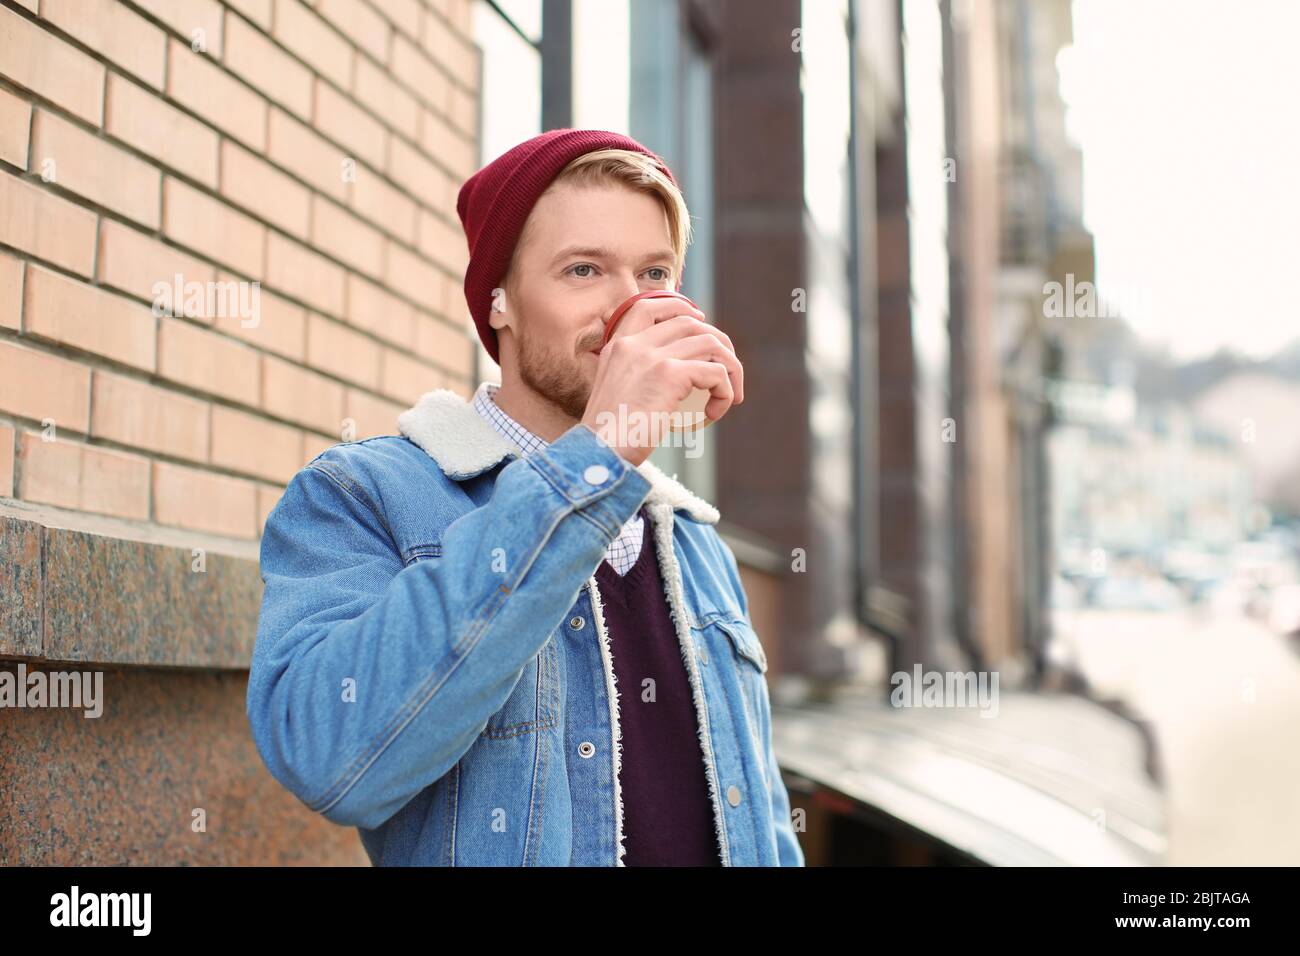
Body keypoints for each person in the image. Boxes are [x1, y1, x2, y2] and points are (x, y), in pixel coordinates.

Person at [246, 128, 804, 867]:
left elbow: (764, 828)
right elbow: (326, 756)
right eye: (584, 270)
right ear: (498, 302)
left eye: (655, 273)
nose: (629, 310)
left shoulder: (695, 542)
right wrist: (599, 452)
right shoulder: (363, 493)